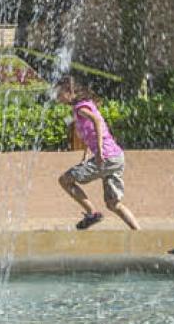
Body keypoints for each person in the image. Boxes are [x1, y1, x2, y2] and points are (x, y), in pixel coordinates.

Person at [57, 78, 137, 230]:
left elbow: (97, 123)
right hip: (116, 157)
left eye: (59, 93)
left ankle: (92, 212)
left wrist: (99, 151)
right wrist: (87, 155)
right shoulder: (85, 106)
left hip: (106, 157)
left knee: (64, 180)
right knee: (113, 204)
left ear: (70, 92)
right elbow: (91, 132)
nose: (57, 97)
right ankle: (139, 233)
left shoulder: (81, 108)